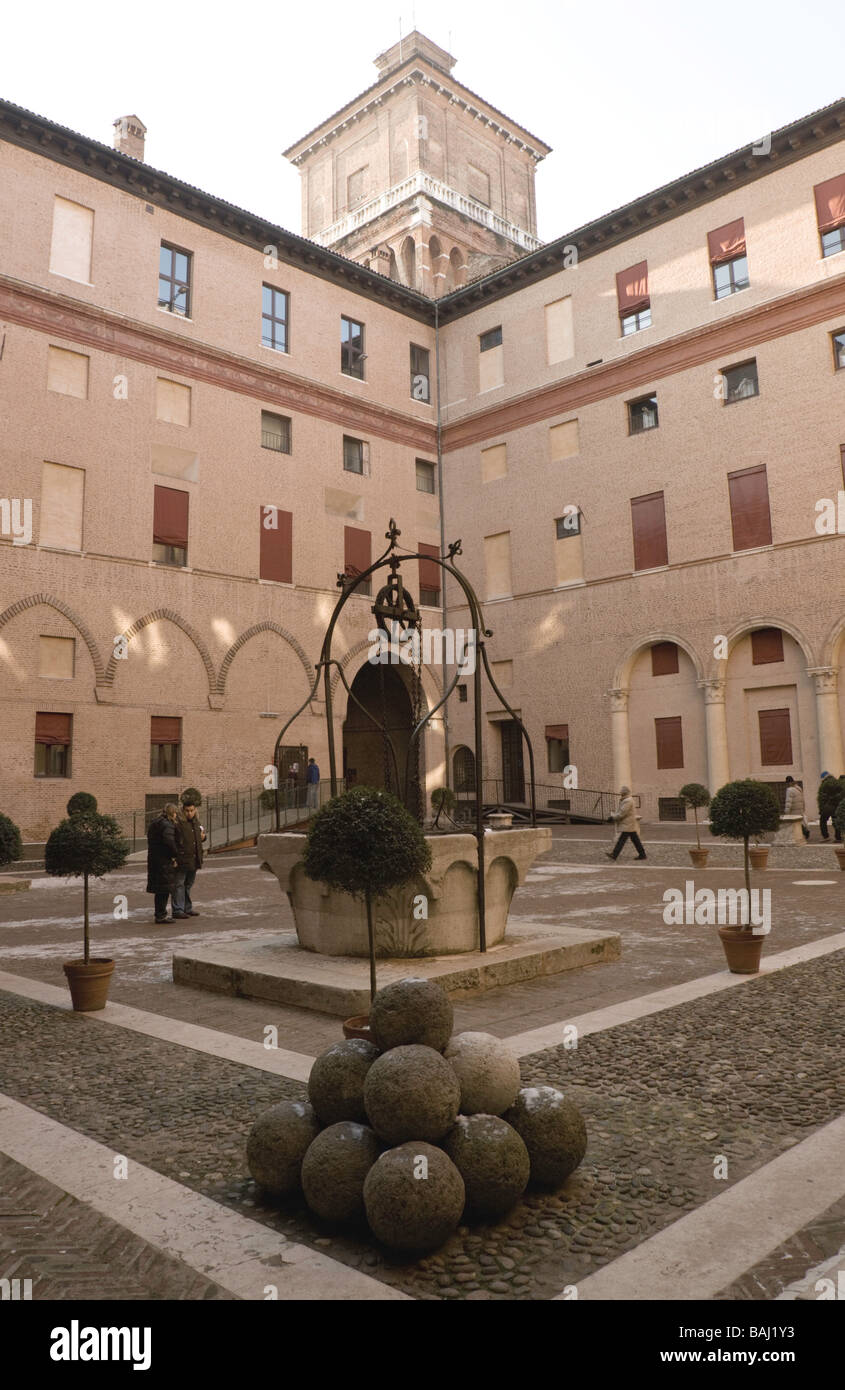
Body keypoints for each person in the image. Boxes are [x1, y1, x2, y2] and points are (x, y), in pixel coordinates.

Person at [146, 804, 181, 923]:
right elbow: (169, 841)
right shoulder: (167, 825)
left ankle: (160, 914)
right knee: (164, 889)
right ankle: (161, 915)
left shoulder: (155, 823)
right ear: (173, 813)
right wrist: (175, 854)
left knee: (160, 889)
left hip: (154, 859)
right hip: (164, 861)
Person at [174, 798, 204, 916]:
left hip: (194, 859)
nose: (189, 813)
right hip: (182, 859)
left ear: (195, 810)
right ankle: (178, 909)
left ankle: (187, 908)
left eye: (192, 810)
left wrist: (203, 837)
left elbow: (199, 837)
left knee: (188, 885)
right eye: (187, 811)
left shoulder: (196, 822)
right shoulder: (179, 823)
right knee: (179, 885)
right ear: (183, 810)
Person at [605, 785, 647, 861]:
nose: (620, 793)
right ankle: (642, 854)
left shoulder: (628, 801)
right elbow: (622, 812)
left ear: (624, 793)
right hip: (629, 823)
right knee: (635, 840)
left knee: (622, 840)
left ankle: (614, 854)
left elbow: (622, 813)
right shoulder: (626, 800)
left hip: (627, 824)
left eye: (621, 792)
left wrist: (613, 818)